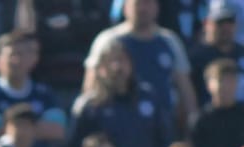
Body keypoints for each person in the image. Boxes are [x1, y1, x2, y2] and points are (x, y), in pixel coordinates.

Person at [68, 39, 173, 147]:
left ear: (131, 64)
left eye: (122, 60)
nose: (117, 67)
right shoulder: (90, 105)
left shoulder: (149, 97)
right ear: (101, 68)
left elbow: (164, 139)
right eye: (111, 61)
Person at [83, 0, 197, 135]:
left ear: (157, 7)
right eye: (137, 3)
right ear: (125, 7)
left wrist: (192, 123)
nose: (143, 8)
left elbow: (185, 86)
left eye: (148, 3)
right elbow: (91, 86)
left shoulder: (169, 41)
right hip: (116, 125)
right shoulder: (108, 40)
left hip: (162, 126)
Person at [0, 30, 68, 147]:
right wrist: (37, 128)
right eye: (12, 55)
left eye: (22, 55)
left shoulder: (44, 94)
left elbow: (57, 131)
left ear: (32, 59)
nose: (17, 60)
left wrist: (11, 129)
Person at [188, 2, 244, 107]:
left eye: (230, 22)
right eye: (220, 23)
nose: (226, 27)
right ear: (207, 24)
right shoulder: (197, 57)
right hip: (216, 112)